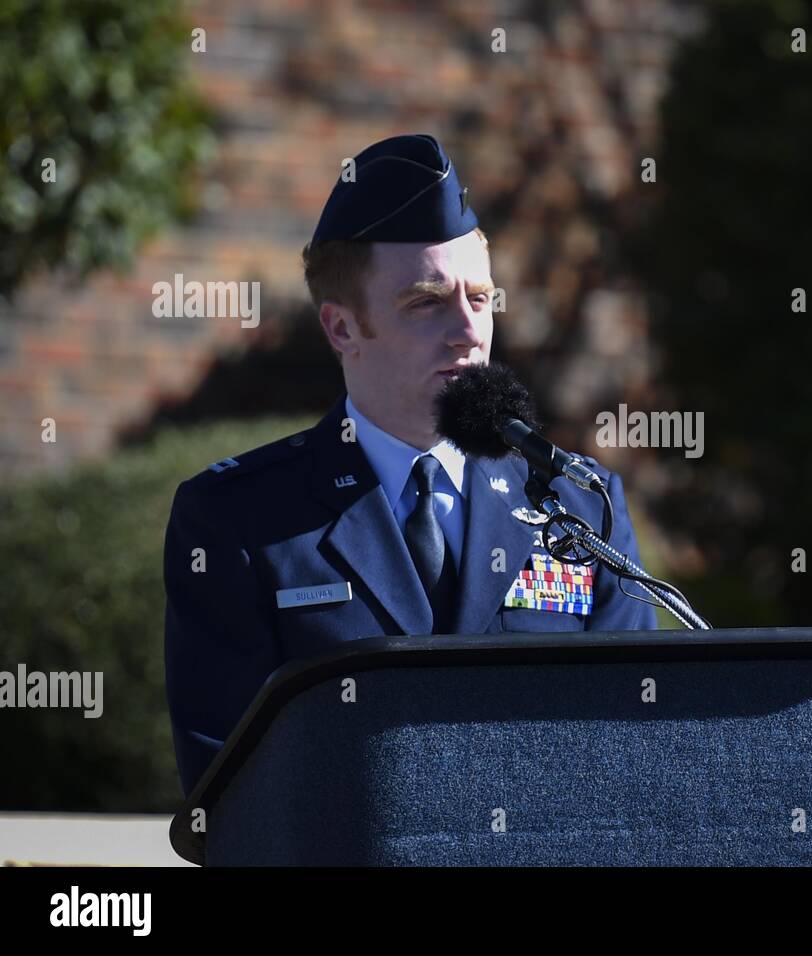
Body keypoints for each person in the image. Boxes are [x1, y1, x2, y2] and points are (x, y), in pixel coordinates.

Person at [163, 134, 658, 798]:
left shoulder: (576, 502)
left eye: (479, 300)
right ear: (342, 329)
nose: (467, 330)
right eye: (426, 302)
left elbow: (638, 746)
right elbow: (230, 791)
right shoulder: (241, 520)